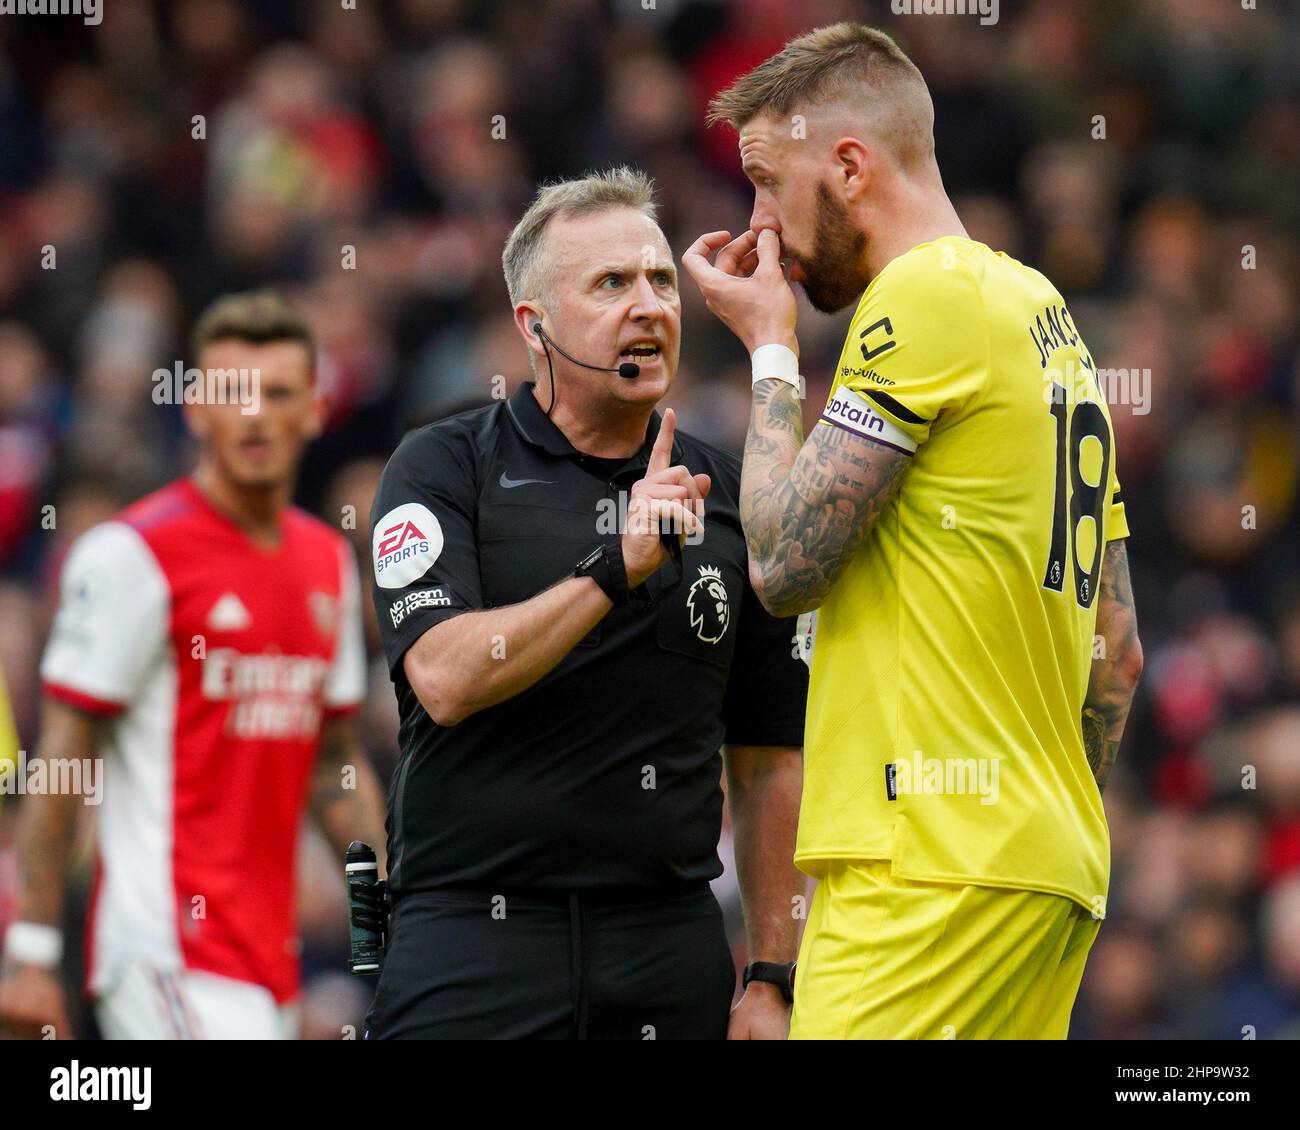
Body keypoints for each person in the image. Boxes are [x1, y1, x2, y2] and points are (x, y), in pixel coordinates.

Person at [683, 23, 1143, 1039]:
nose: (757, 228)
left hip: (926, 867)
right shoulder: (1043, 315)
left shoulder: (921, 296)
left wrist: (767, 349)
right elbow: (1115, 653)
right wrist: (1032, 814)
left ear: (847, 165)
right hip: (1040, 867)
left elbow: (783, 561)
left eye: (765, 182)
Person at [366, 167, 807, 1040]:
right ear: (535, 326)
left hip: (666, 946)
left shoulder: (737, 493)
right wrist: (616, 568)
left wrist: (771, 973)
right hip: (473, 944)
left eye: (660, 281)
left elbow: (767, 759)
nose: (648, 305)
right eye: (610, 283)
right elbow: (446, 677)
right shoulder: (443, 467)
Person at [0, 292, 387, 1039]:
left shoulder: (330, 567)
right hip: (157, 949)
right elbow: (63, 756)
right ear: (197, 408)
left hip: (265, 963)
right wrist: (33, 952)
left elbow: (332, 765)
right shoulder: (132, 556)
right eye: (232, 393)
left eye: (277, 394)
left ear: (313, 409)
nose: (254, 415)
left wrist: (386, 921)